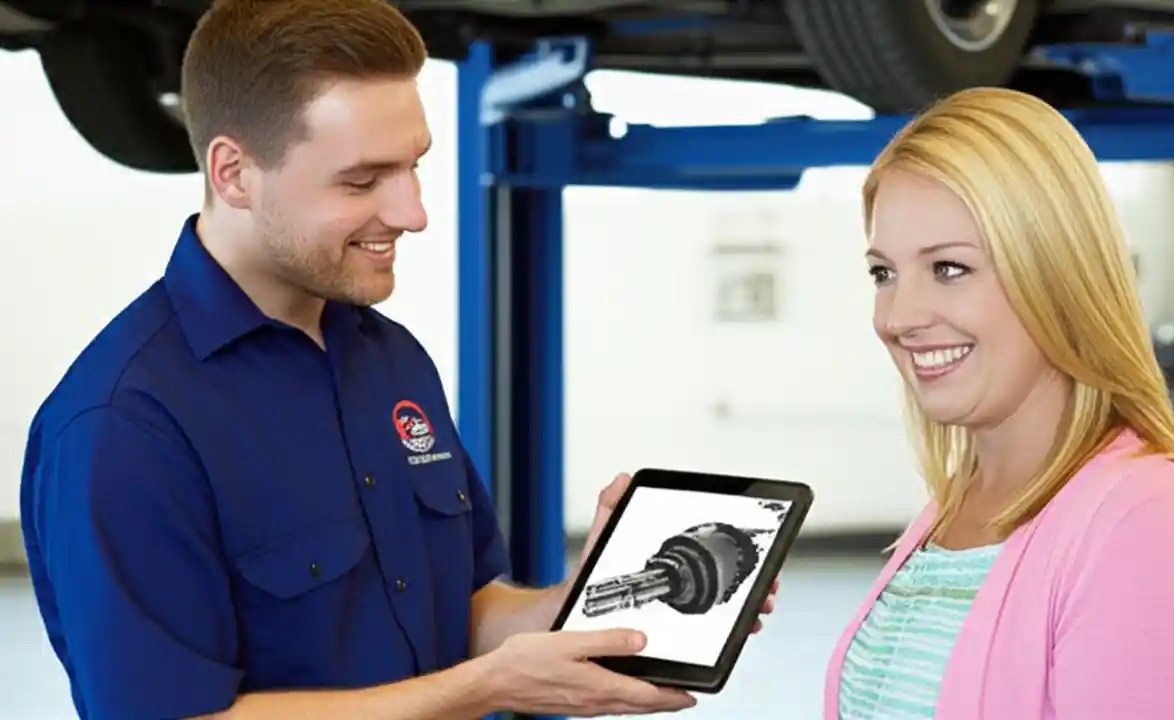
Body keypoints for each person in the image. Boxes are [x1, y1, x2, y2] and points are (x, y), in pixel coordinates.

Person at [18, 1, 775, 719]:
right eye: (361, 181)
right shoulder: (123, 425)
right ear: (233, 173)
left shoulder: (386, 356)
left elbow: (465, 611)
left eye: (413, 165)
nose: (412, 213)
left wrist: (590, 602)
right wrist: (478, 692)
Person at [824, 87, 1174, 719]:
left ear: (1053, 272)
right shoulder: (953, 503)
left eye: (948, 269)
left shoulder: (1143, 519)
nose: (898, 317)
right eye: (883, 273)